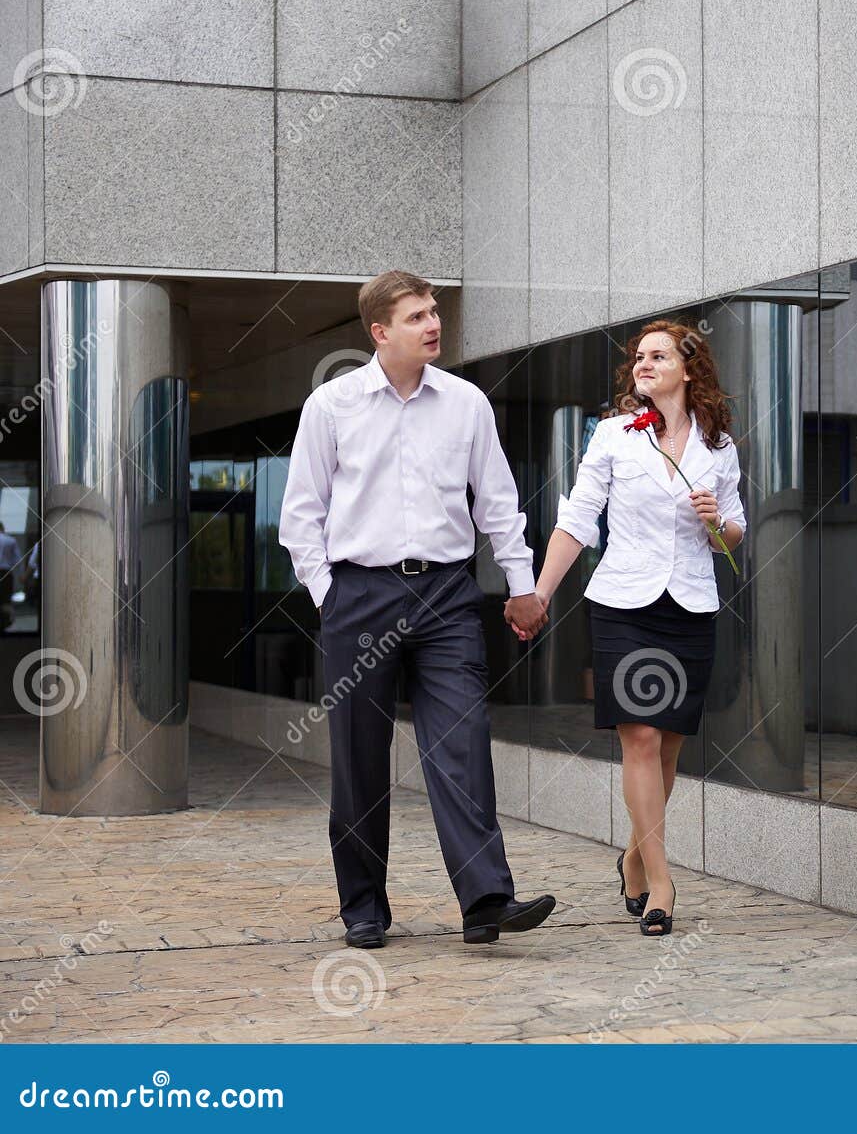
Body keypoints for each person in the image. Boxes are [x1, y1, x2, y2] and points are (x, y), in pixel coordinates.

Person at [279, 269, 555, 949]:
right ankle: (364, 906)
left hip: (446, 597)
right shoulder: (332, 405)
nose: (433, 323)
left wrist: (521, 583)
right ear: (379, 331)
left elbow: (497, 502)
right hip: (359, 595)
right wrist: (330, 593)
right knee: (359, 757)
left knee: (462, 743)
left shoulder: (465, 404)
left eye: (434, 311)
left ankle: (487, 898)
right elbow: (300, 516)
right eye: (416, 316)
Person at [525, 319, 746, 937]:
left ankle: (632, 856)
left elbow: (734, 537)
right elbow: (578, 518)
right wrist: (540, 595)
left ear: (689, 368)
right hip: (623, 603)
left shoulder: (719, 446)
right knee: (640, 739)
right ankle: (663, 880)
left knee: (670, 742)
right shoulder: (615, 436)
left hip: (691, 606)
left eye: (657, 356)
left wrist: (715, 522)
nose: (642, 365)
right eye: (638, 357)